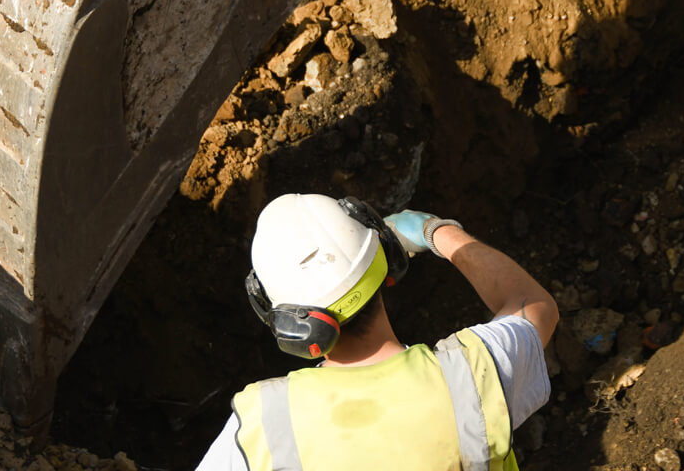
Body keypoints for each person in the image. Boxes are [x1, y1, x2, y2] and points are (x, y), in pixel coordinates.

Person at [194, 193, 559, 471]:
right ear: (385, 255)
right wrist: (436, 232)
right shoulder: (473, 375)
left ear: (287, 324)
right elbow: (533, 304)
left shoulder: (260, 425)